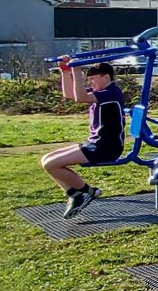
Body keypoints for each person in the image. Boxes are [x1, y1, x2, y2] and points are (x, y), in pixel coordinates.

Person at [43, 56, 125, 218]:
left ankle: (87, 192)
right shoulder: (100, 93)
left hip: (106, 147)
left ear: (106, 77)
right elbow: (70, 95)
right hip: (95, 143)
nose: (90, 83)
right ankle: (76, 194)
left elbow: (80, 97)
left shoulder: (112, 93)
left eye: (93, 79)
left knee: (52, 165)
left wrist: (76, 69)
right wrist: (65, 72)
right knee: (46, 159)